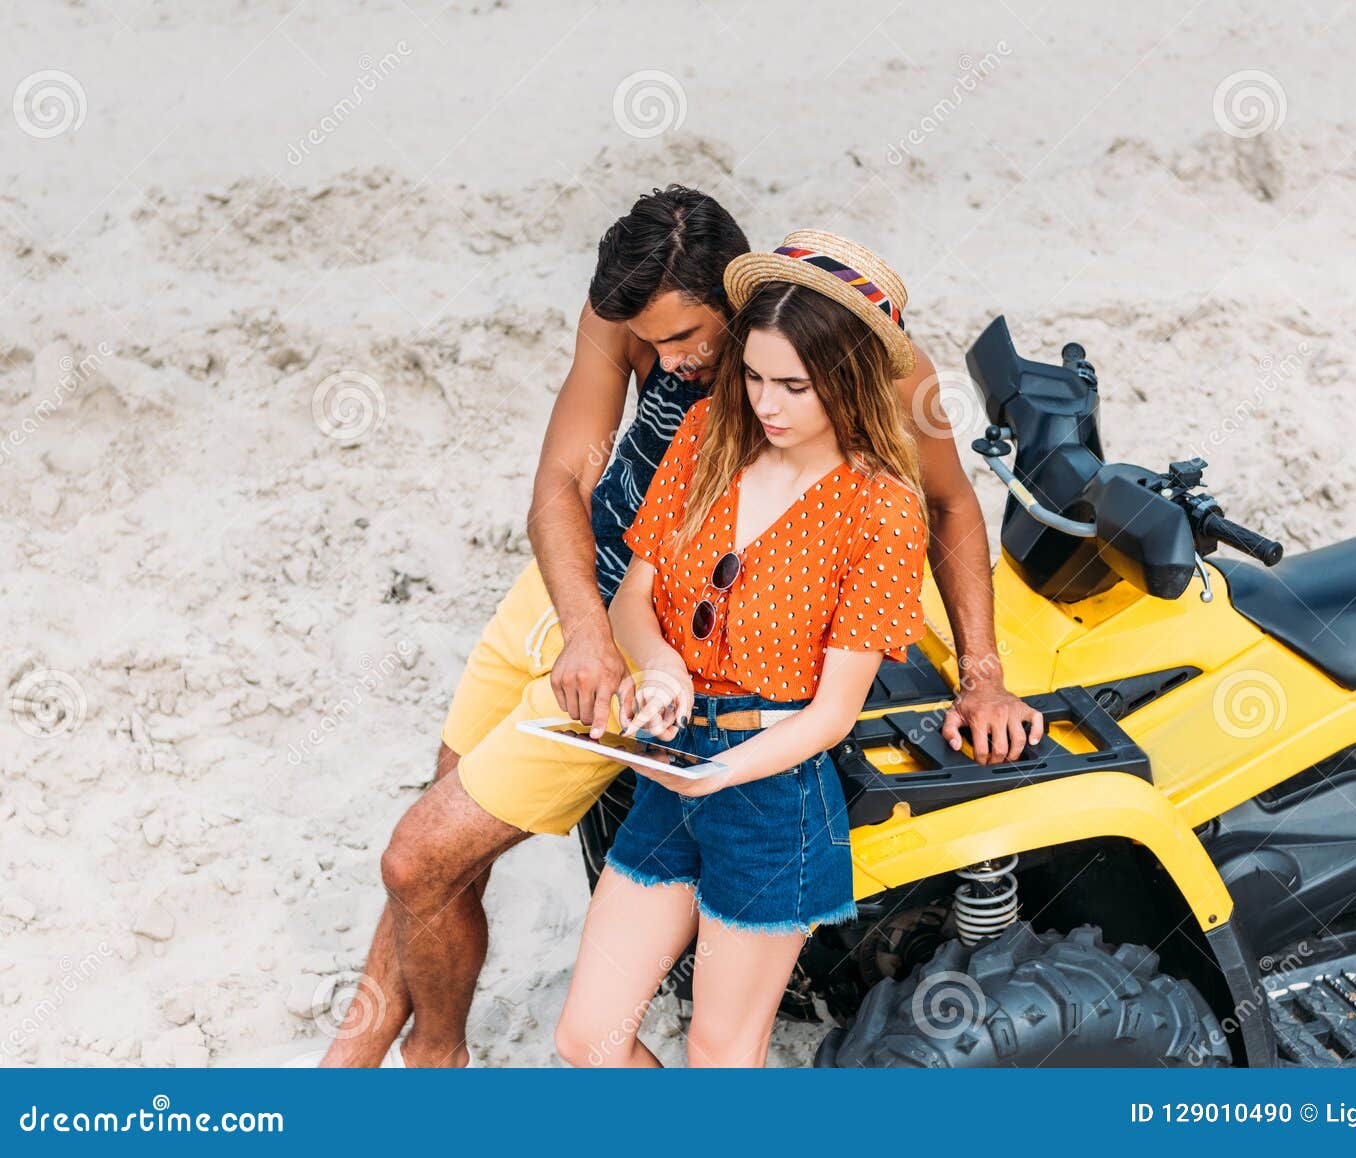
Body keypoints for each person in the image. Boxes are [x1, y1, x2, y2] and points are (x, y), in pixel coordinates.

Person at [319, 187, 1045, 1068]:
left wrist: (983, 673)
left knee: (421, 858)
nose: (670, 360)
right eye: (654, 346)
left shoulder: (854, 367)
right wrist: (591, 628)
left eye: (690, 339)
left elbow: (945, 504)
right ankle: (361, 1072)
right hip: (588, 594)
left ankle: (420, 1070)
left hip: (687, 650)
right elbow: (560, 485)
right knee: (433, 860)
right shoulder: (650, 335)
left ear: (736, 300)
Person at [556, 233, 927, 1067]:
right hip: (673, 764)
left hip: (773, 795)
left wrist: (721, 771)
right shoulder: (704, 437)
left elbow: (833, 715)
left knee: (720, 1056)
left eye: (794, 385)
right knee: (588, 1038)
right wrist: (660, 667)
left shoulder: (884, 512)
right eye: (755, 377)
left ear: (850, 378)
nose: (768, 403)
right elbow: (631, 597)